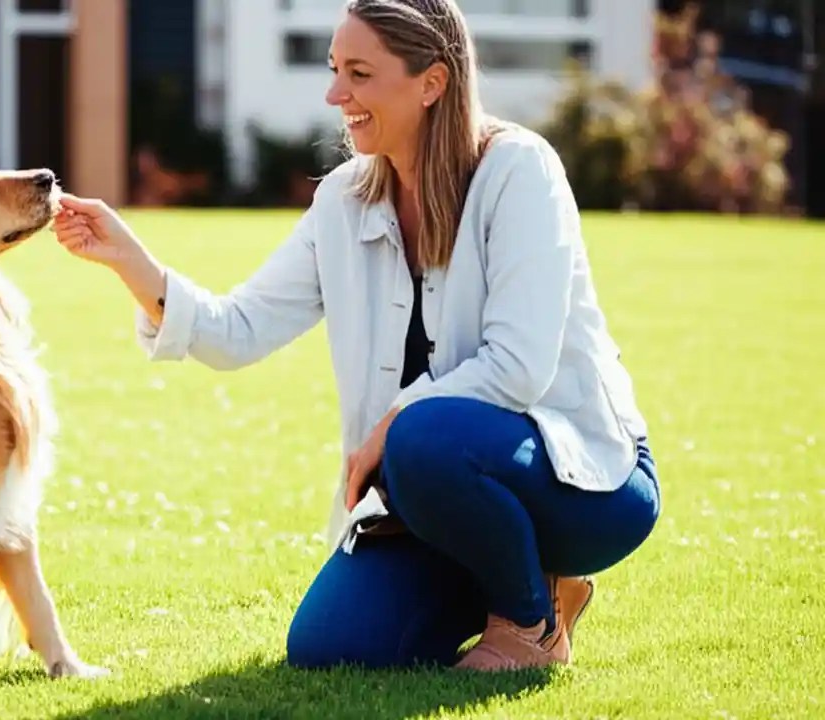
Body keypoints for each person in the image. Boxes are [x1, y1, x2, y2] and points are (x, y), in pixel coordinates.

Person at [52, 0, 660, 672]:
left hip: (582, 482)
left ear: (433, 82)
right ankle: (530, 582)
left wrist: (392, 424)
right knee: (331, 648)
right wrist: (130, 262)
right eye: (336, 69)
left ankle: (527, 631)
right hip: (427, 489)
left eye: (360, 74)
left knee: (422, 437)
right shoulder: (343, 200)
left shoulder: (518, 171)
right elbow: (238, 331)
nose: (336, 93)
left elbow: (518, 366)